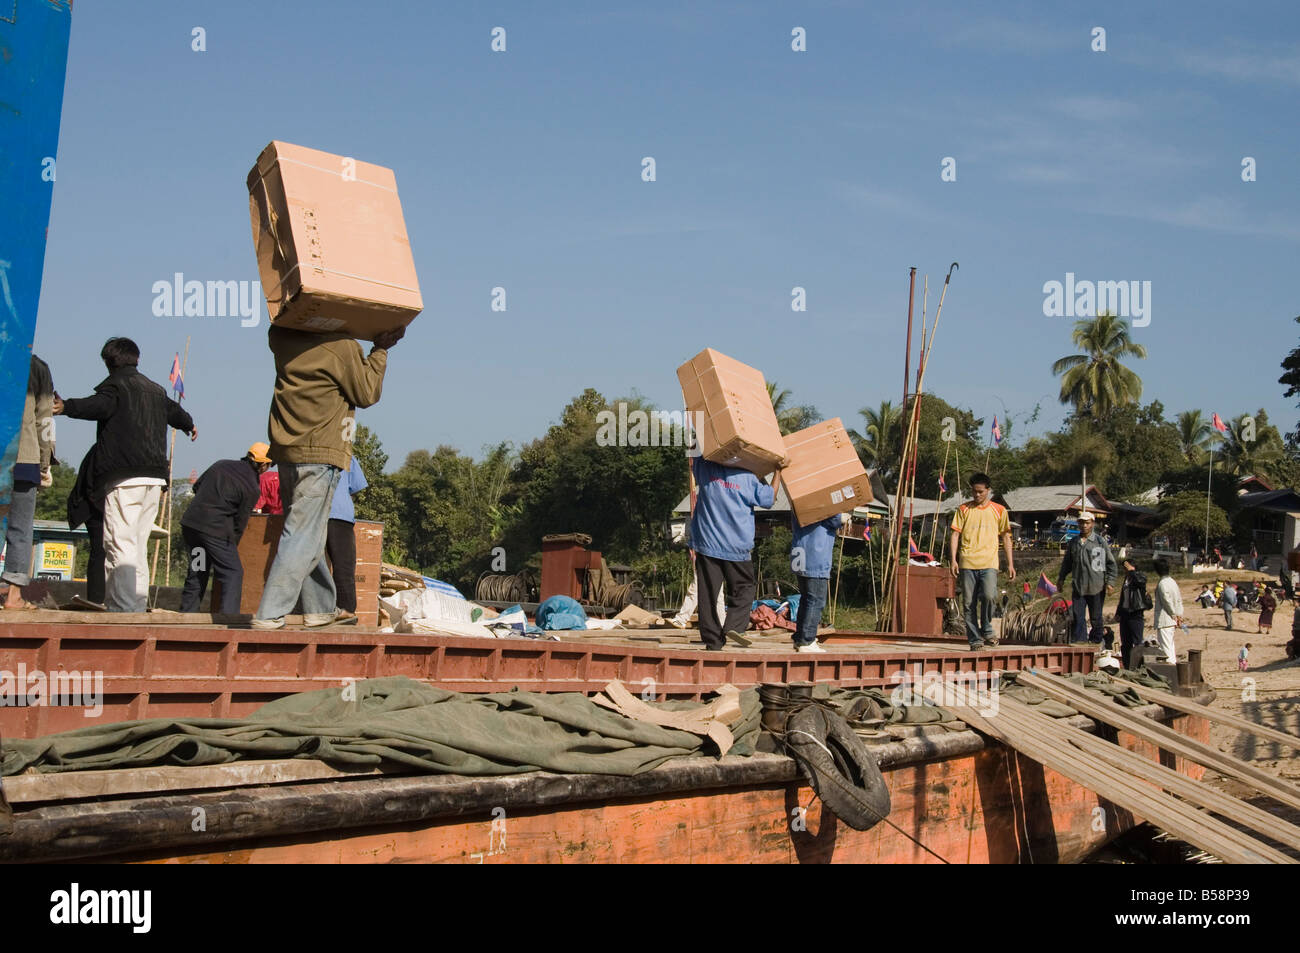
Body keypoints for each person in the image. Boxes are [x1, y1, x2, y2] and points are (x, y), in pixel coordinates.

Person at [251, 325, 404, 629]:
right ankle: (269, 613)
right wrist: (380, 349)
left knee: (312, 533)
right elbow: (367, 392)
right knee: (302, 534)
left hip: (286, 450)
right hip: (321, 453)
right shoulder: (342, 347)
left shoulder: (282, 339)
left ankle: (321, 608)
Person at [54, 338, 196, 612]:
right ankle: (137, 603)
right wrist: (189, 424)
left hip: (125, 478)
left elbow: (96, 406)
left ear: (108, 363)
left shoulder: (115, 387)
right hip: (155, 479)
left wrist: (66, 407)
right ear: (137, 359)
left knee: (119, 542)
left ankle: (122, 608)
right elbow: (175, 411)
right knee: (138, 544)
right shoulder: (155, 390)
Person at [687, 455, 778, 651]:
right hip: (736, 546)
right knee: (744, 587)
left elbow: (695, 454)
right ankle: (734, 626)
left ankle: (713, 641)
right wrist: (778, 471)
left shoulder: (707, 469)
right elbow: (769, 499)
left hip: (707, 542)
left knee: (708, 593)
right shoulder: (747, 477)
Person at [179, 444, 272, 615]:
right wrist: (231, 545)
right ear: (263, 465)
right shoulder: (252, 486)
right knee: (232, 572)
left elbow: (197, 487)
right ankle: (228, 620)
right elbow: (240, 522)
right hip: (215, 532)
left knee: (198, 570)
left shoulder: (221, 464)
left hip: (192, 526)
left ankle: (187, 614)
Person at [1, 357, 55, 609]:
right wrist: (44, 462)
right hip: (24, 457)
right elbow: (44, 419)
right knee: (20, 528)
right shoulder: (37, 367)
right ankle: (13, 597)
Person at [949, 472, 1015, 650]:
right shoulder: (963, 510)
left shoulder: (999, 510)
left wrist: (1010, 563)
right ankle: (975, 640)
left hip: (989, 563)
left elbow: (1006, 537)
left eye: (980, 492)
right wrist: (953, 560)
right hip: (967, 563)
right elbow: (955, 534)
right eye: (974, 492)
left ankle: (986, 628)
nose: (977, 495)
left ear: (988, 490)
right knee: (968, 603)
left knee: (989, 596)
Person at [1056, 512, 1116, 646]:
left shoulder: (1100, 542)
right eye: (1081, 522)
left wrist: (1110, 582)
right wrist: (1061, 579)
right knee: (1078, 616)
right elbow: (1067, 563)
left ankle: (1096, 641)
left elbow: (1111, 564)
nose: (1084, 525)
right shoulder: (1074, 543)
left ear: (1092, 524)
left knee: (1096, 617)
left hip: (1097, 586)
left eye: (1087, 523)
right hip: (1079, 586)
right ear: (1078, 524)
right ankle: (1080, 640)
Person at [789, 511, 843, 654]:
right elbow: (835, 519)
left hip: (799, 552)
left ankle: (800, 637)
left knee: (806, 598)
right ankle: (807, 640)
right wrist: (844, 516)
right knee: (816, 600)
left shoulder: (800, 498)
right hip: (815, 554)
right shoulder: (823, 500)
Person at [324, 455, 368, 623]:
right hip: (340, 514)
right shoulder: (346, 456)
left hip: (313, 514)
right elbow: (356, 487)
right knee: (344, 565)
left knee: (313, 565)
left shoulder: (310, 454)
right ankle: (346, 610)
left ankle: (314, 609)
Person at [66, 444, 106, 608]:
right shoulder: (106, 450)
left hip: (96, 502)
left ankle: (101, 597)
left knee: (103, 551)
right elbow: (91, 486)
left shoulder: (105, 447)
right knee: (100, 550)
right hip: (94, 505)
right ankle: (97, 599)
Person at [669, 550, 725, 629]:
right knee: (718, 593)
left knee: (695, 588)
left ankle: (681, 619)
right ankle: (721, 623)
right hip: (717, 556)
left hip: (707, 556)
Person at [1115, 557, 1150, 669]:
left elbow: (1141, 581)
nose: (1125, 570)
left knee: (1137, 641)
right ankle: (1127, 666)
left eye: (1126, 567)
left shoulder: (1139, 576)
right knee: (1125, 643)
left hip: (1135, 613)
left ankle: (1138, 666)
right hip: (1125, 613)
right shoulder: (1126, 579)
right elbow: (1123, 597)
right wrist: (1118, 612)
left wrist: (1132, 571)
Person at [1152, 557, 1184, 664]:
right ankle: (1172, 666)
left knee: (1165, 648)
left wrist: (1174, 614)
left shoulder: (1162, 584)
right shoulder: (1172, 582)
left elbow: (1167, 601)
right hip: (1172, 620)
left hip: (1165, 619)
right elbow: (1178, 599)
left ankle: (1170, 669)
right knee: (1170, 646)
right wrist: (1179, 615)